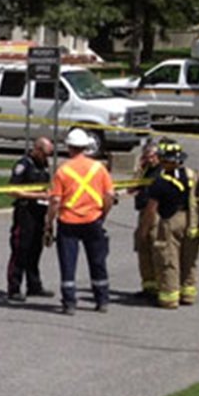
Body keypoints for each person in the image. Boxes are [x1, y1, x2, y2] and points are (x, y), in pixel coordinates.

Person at [137, 140, 199, 308]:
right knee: (189, 259)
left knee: (168, 260)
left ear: (164, 160)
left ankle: (169, 298)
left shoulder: (160, 182)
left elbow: (151, 210)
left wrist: (143, 232)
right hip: (192, 221)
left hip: (170, 222)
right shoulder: (193, 175)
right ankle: (188, 295)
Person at [46, 128, 115, 315]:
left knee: (68, 265)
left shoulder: (63, 170)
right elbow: (109, 195)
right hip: (93, 221)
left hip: (68, 223)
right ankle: (102, 300)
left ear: (69, 147)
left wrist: (48, 223)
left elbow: (55, 201)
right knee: (98, 261)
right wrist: (102, 215)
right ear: (85, 147)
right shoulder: (98, 168)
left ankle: (69, 303)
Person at [6, 136, 55, 302]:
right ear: (38, 150)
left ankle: (34, 285)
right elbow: (12, 190)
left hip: (40, 211)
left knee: (36, 249)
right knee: (21, 249)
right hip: (25, 211)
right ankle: (14, 287)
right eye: (46, 154)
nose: (47, 158)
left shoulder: (44, 165)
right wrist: (36, 195)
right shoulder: (24, 165)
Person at [129, 138, 163, 299]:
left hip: (156, 214)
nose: (149, 159)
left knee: (156, 249)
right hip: (143, 211)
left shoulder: (162, 171)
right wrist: (139, 169)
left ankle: (161, 286)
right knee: (143, 248)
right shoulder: (146, 170)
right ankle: (148, 287)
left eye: (152, 156)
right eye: (146, 156)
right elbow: (131, 188)